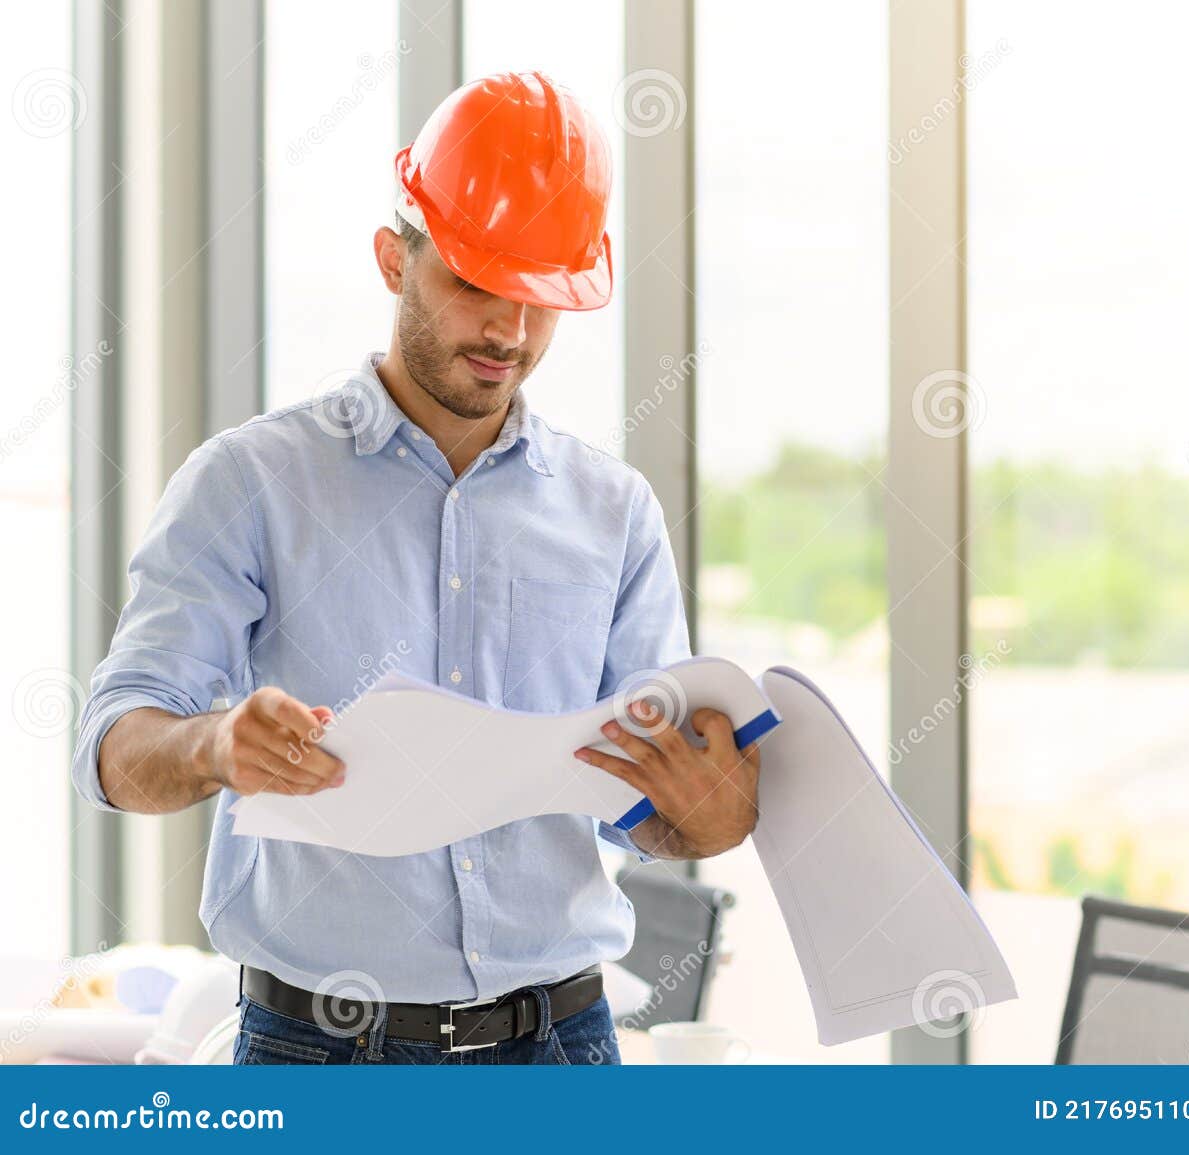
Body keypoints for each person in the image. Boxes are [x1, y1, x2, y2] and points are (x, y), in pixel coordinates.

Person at [69, 71, 759, 1065]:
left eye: (540, 298)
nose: (509, 333)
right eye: (476, 283)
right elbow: (111, 750)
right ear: (396, 258)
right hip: (318, 1057)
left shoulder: (615, 513)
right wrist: (217, 744)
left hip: (563, 1047)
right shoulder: (252, 482)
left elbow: (643, 805)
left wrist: (702, 820)